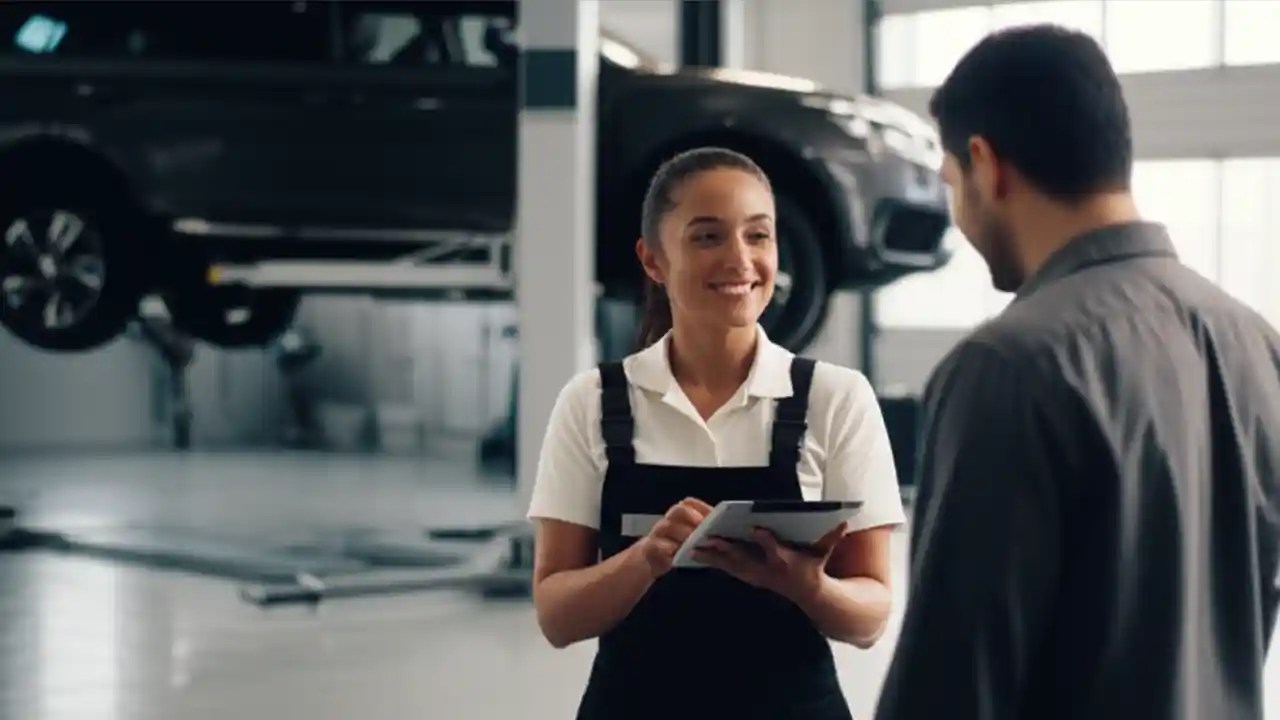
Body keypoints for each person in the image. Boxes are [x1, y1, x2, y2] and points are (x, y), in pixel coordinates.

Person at [873, 24, 1280, 720]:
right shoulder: (1255, 343)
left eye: (952, 184)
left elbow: (952, 681)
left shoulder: (1009, 366)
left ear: (986, 163)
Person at [526, 146, 906, 719]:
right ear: (653, 260)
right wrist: (645, 560)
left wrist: (806, 585)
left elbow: (872, 615)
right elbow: (556, 616)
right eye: (707, 237)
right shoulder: (593, 404)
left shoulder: (836, 398)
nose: (740, 259)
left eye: (759, 236)